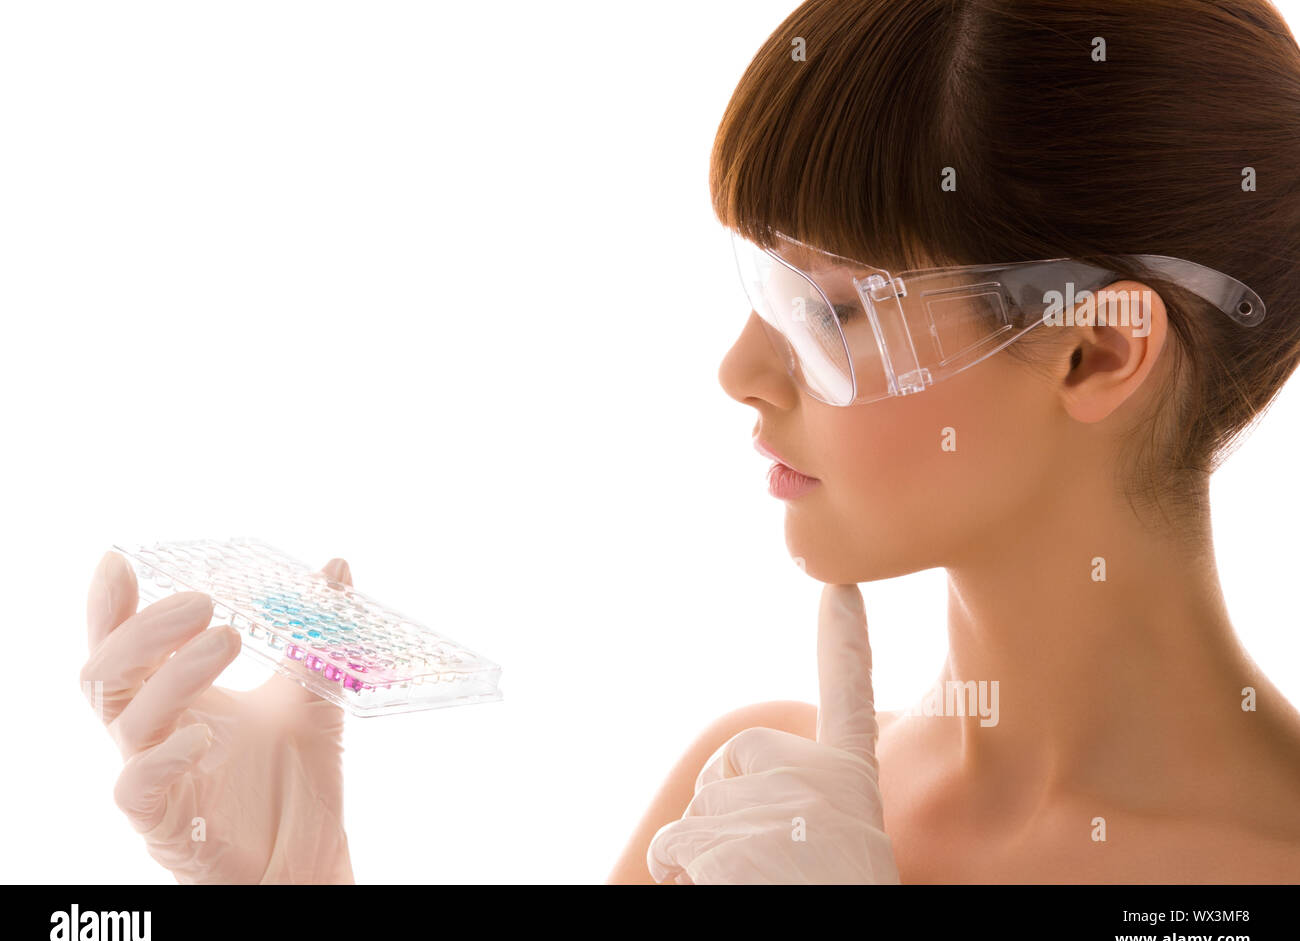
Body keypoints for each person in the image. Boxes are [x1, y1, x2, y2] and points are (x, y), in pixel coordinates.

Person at [83, 0, 1300, 883]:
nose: (740, 371)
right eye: (762, 288)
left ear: (1095, 351)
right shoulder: (748, 802)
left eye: (832, 310)